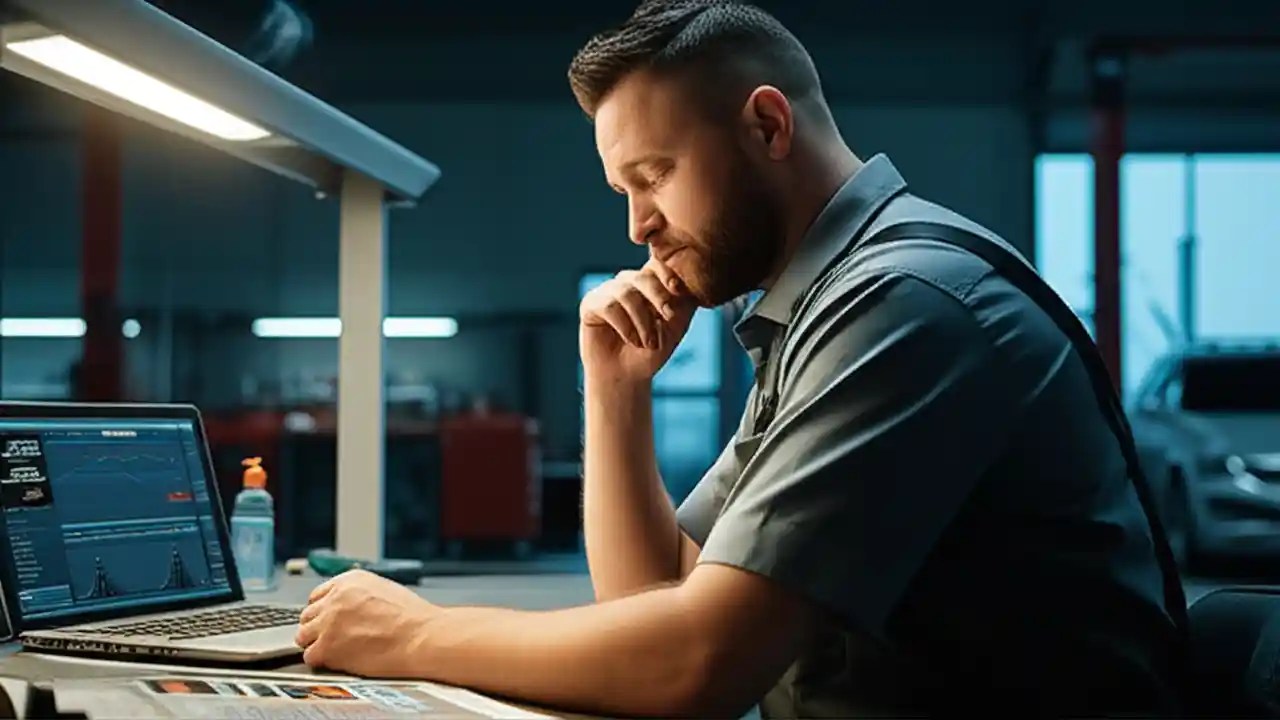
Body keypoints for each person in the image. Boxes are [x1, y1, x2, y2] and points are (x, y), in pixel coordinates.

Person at [294, 1, 1184, 716]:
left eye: (654, 175)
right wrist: (614, 392)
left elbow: (696, 668)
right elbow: (652, 604)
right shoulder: (820, 303)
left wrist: (413, 635)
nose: (637, 225)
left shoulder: (907, 303)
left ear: (766, 125)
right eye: (625, 191)